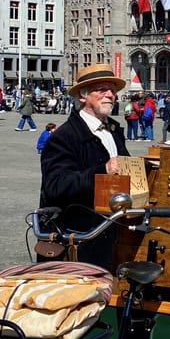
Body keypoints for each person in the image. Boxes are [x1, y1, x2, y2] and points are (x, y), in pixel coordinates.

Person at [40, 63, 130, 269]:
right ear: (83, 95)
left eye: (113, 90)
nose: (110, 95)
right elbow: (55, 186)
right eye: (102, 89)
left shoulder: (114, 130)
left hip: (113, 233)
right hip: (79, 237)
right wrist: (102, 171)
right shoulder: (64, 137)